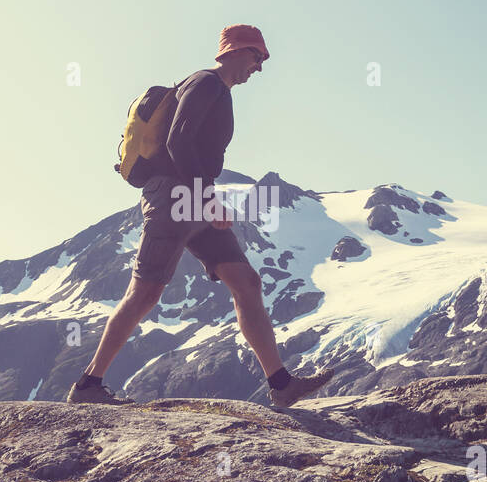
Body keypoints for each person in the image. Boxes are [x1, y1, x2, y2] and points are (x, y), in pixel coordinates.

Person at [68, 24, 333, 409]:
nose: (259, 68)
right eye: (258, 57)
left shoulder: (217, 91)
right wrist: (205, 198)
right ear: (236, 50)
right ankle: (88, 384)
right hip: (175, 198)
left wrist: (204, 199)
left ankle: (281, 384)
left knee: (246, 281)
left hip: (192, 199)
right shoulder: (205, 83)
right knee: (145, 293)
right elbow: (178, 140)